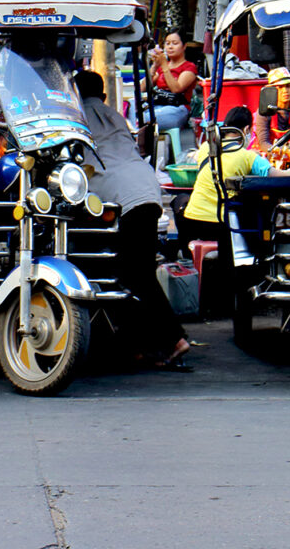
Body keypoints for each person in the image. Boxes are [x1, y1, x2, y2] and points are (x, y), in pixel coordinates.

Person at [74, 69, 190, 369]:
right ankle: (138, 346)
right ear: (102, 95)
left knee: (133, 275)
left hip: (120, 197)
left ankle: (174, 338)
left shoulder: (74, 115)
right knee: (136, 272)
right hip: (145, 189)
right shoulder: (113, 115)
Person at [180, 106, 279, 247]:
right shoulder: (248, 157)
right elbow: (278, 176)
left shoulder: (206, 147)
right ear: (246, 130)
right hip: (219, 226)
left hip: (192, 221)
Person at [149, 28, 199, 142]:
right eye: (167, 44)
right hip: (158, 106)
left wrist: (164, 66)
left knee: (145, 119)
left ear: (184, 46)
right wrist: (154, 67)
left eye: (175, 43)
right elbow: (143, 88)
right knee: (131, 108)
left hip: (177, 109)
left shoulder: (189, 67)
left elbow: (176, 89)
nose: (170, 47)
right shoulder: (162, 67)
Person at [254, 67, 290, 148]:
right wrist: (278, 152)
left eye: (288, 86)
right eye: (280, 87)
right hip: (269, 153)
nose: (285, 91)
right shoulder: (264, 112)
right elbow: (263, 143)